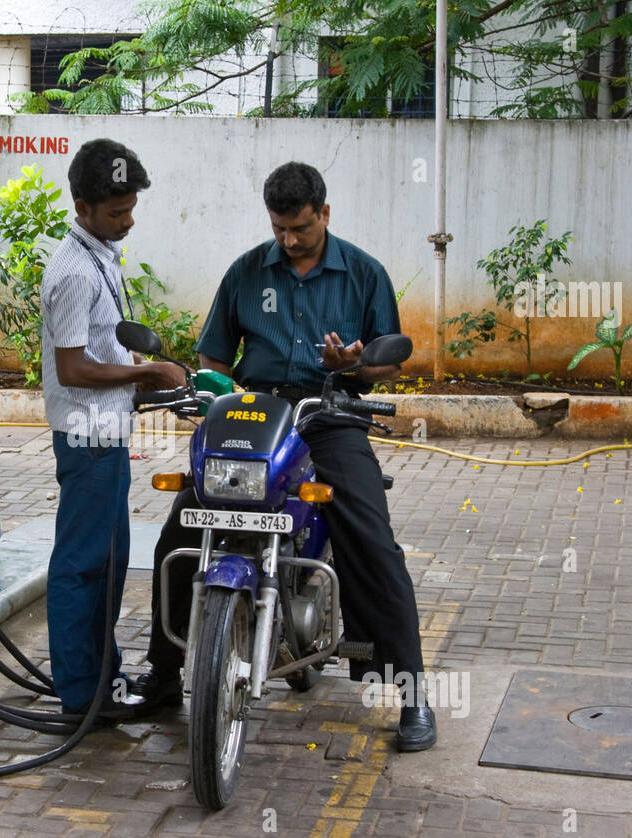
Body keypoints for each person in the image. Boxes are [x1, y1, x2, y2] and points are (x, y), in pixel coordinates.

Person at [134, 161, 436, 751]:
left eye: (301, 228)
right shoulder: (247, 272)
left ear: (324, 213)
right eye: (280, 229)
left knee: (371, 538)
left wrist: (353, 366)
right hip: (256, 415)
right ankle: (166, 674)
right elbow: (217, 361)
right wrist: (200, 393)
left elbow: (387, 363)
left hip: (330, 415)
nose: (290, 240)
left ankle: (411, 692)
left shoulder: (363, 274)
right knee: (183, 525)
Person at [40, 139, 185, 718]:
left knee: (111, 560)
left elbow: (100, 347)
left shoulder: (99, 253)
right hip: (88, 438)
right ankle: (82, 694)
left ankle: (103, 678)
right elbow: (72, 365)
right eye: (115, 213)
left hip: (106, 435)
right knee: (82, 565)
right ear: (82, 206)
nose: (126, 222)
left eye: (130, 210)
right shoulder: (75, 271)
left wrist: (138, 377)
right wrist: (145, 370)